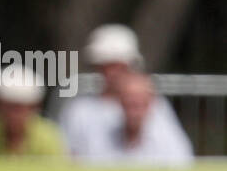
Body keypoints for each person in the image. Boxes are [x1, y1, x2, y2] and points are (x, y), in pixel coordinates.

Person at [63, 24, 191, 161]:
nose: (111, 73)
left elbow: (179, 158)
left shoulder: (157, 107)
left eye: (116, 66)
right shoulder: (79, 111)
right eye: (104, 66)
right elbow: (66, 158)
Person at [0, 68, 66, 158]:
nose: (13, 114)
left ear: (35, 107)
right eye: (8, 106)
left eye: (19, 107)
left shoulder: (50, 137)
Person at [106, 72, 194, 165]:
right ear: (119, 103)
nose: (134, 112)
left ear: (150, 104)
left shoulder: (167, 139)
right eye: (129, 104)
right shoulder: (105, 135)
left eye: (140, 104)